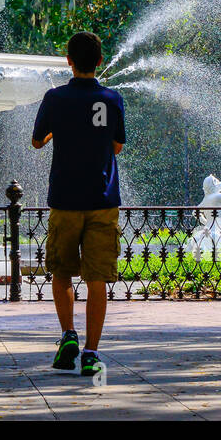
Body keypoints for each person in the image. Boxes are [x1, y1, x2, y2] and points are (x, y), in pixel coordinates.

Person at [30, 31, 126, 377]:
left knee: (62, 271)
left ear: (68, 61)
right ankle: (91, 351)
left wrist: (61, 132)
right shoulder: (112, 99)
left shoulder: (55, 99)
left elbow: (37, 142)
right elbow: (116, 146)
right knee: (97, 278)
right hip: (102, 199)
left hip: (65, 199)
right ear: (99, 61)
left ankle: (68, 333)